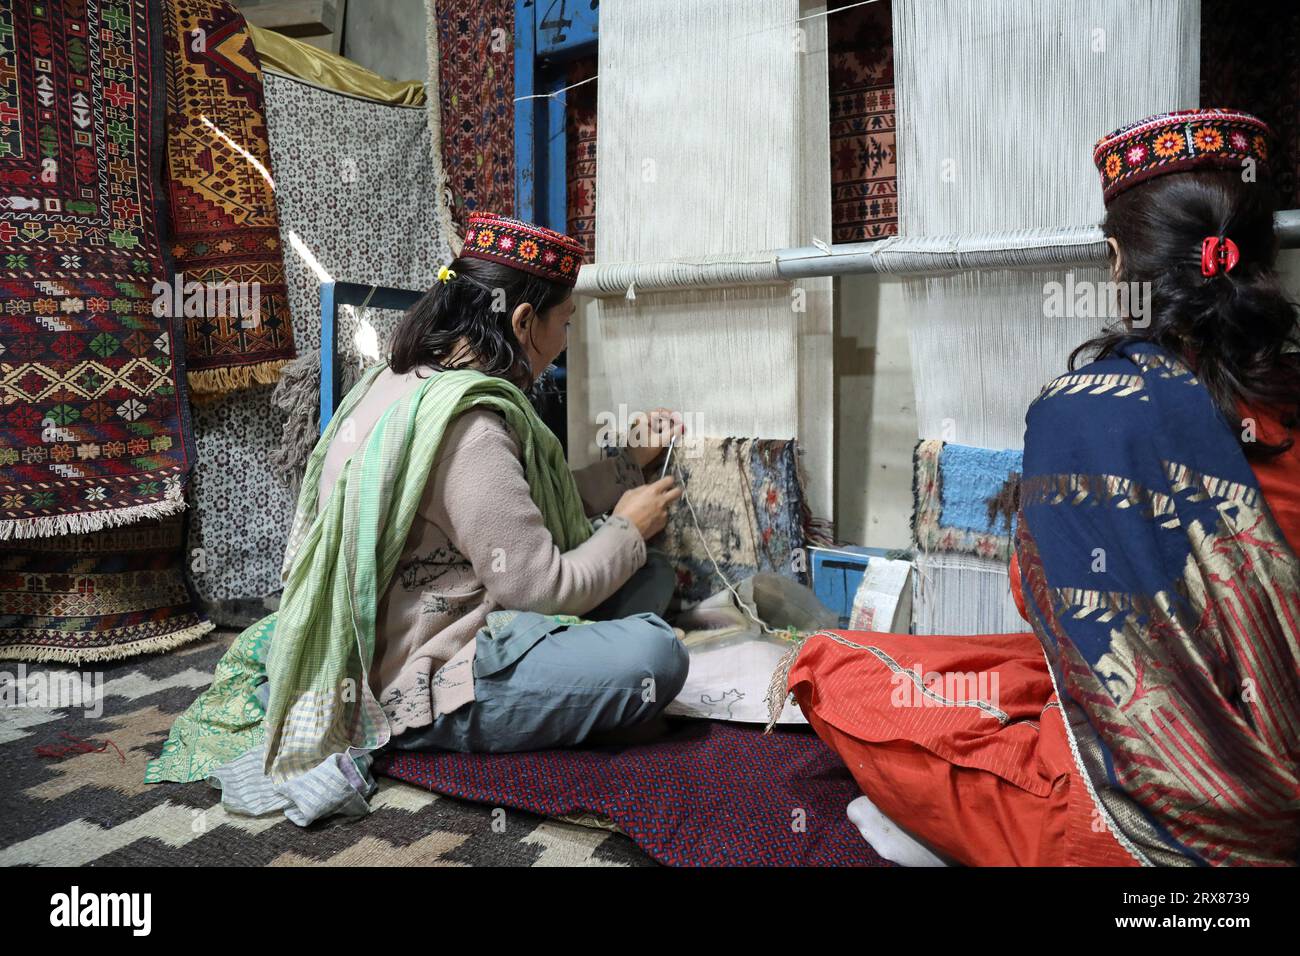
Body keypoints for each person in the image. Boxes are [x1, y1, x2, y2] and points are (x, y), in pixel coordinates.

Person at [788, 109, 1300, 866]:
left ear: (1119, 260)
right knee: (1007, 670)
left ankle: (954, 829)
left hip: (1127, 831)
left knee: (836, 668)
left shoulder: (1085, 413)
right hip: (1285, 800)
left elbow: (1047, 604)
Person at [148, 214, 689, 821]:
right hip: (419, 668)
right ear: (522, 322)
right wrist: (625, 528)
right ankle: (413, 731)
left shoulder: (402, 381)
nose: (567, 340)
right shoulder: (472, 426)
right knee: (654, 655)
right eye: (565, 322)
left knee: (649, 579)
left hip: (401, 622)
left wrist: (623, 467)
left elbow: (518, 504)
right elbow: (539, 587)